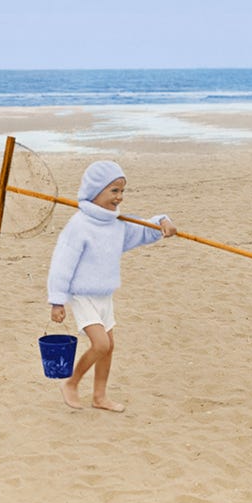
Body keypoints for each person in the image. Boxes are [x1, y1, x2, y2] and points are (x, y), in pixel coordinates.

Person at [47, 160, 176, 413]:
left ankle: (99, 396)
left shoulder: (116, 225)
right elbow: (62, 264)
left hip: (105, 295)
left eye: (122, 191)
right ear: (95, 192)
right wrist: (57, 300)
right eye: (114, 191)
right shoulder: (79, 226)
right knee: (101, 344)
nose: (120, 197)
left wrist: (162, 222)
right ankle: (71, 383)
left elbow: (141, 230)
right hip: (82, 295)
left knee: (109, 347)